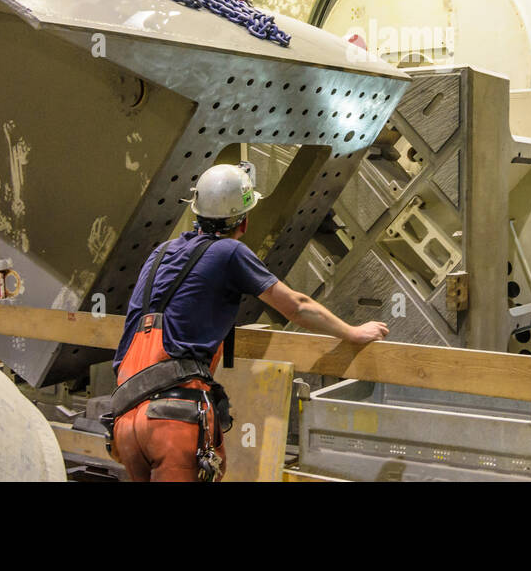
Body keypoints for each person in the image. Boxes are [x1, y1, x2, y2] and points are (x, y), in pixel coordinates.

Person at [107, 162, 389, 481]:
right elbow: (296, 307)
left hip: (125, 413)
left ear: (196, 211)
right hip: (172, 416)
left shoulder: (161, 253)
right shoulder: (229, 252)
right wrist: (352, 332)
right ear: (243, 220)